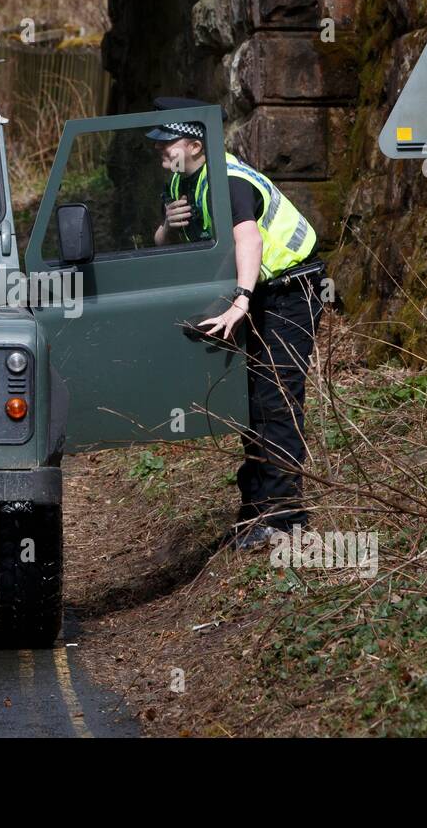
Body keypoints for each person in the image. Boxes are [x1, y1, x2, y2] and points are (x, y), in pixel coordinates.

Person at [147, 97, 326, 549]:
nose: (160, 151)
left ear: (193, 143)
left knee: (276, 402)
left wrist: (242, 300)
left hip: (290, 292)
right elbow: (164, 244)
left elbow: (247, 237)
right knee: (250, 404)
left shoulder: (229, 180)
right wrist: (168, 227)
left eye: (167, 143)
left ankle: (286, 521)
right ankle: (254, 514)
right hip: (260, 296)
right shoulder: (181, 183)